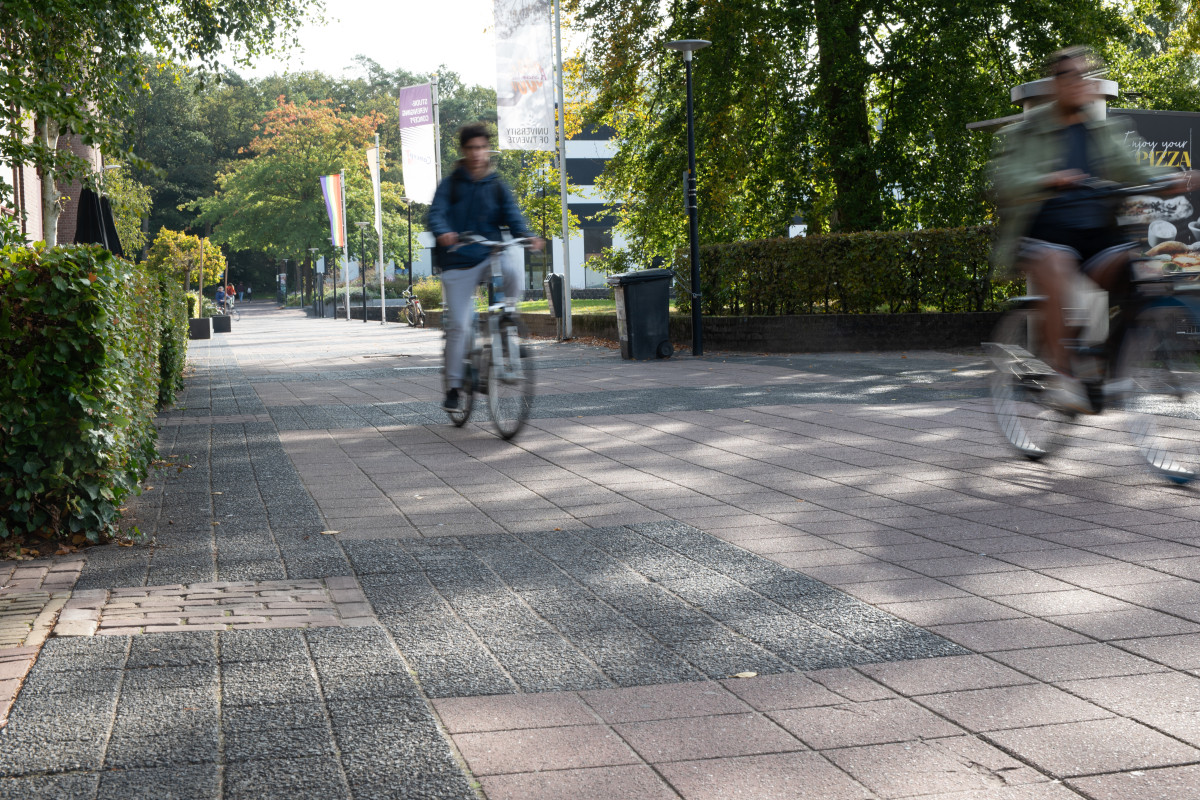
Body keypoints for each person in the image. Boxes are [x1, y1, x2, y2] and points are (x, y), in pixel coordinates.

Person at [991, 46, 1195, 412]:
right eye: (1067, 75)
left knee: (1132, 271)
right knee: (1057, 265)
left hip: (1097, 230)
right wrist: (1049, 179)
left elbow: (1134, 168)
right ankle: (1062, 377)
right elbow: (1007, 181)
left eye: (1083, 75)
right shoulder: (1026, 131)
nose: (1077, 82)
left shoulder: (1103, 130)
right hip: (1045, 230)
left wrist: (1172, 179)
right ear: (1055, 83)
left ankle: (1107, 364)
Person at [427, 122, 544, 412]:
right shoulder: (451, 184)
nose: (477, 153)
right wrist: (444, 232)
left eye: (481, 147)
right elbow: (436, 214)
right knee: (459, 325)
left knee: (512, 261)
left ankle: (507, 316)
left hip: (488, 254)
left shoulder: (496, 185)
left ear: (487, 149)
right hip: (457, 260)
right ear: (463, 151)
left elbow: (513, 217)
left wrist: (526, 235)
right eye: (471, 148)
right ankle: (454, 387)